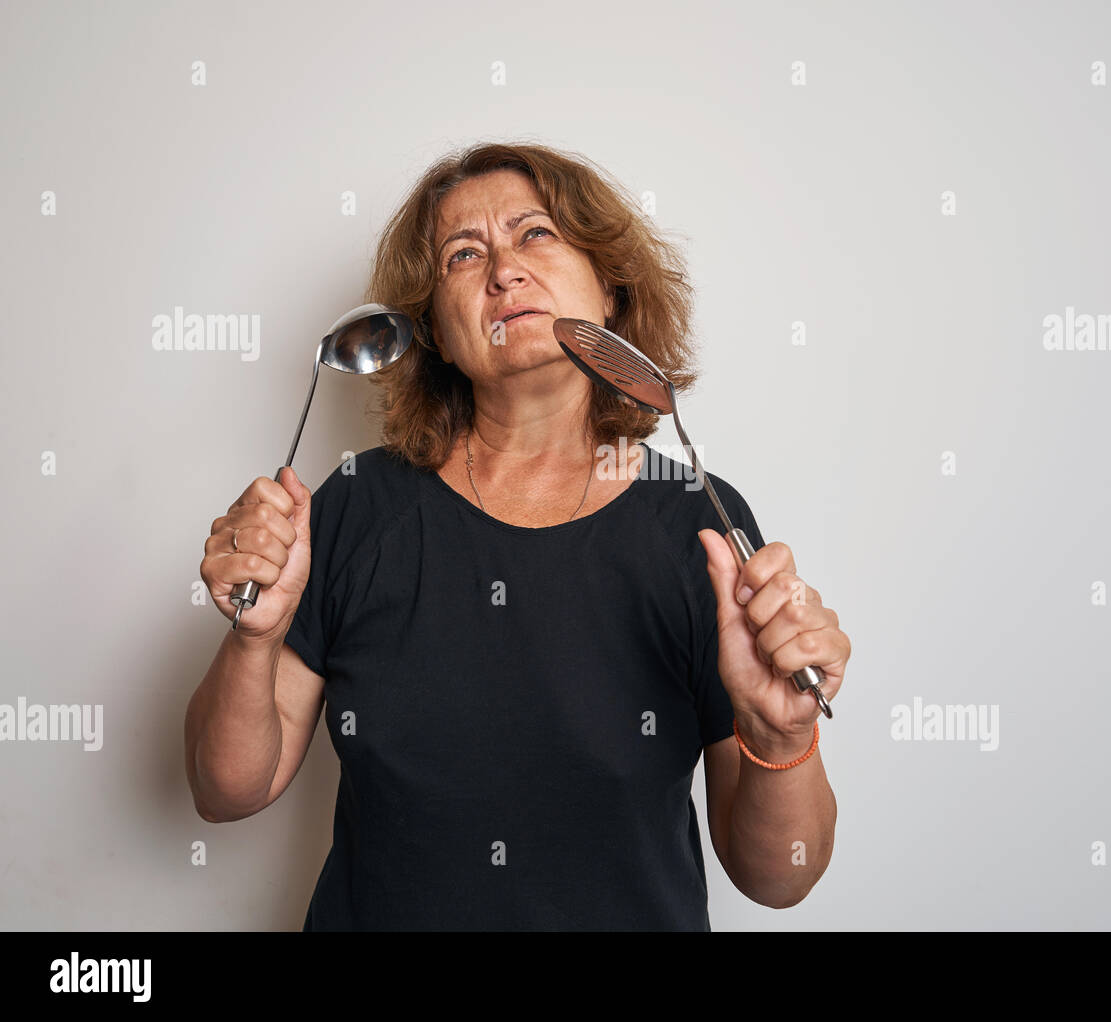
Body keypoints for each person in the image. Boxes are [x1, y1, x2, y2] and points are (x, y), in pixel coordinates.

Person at [186, 141, 851, 930]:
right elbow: (226, 791)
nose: (503, 271)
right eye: (463, 255)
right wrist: (252, 642)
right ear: (432, 328)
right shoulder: (358, 505)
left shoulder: (699, 525)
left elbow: (779, 880)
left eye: (535, 234)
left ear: (609, 285)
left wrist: (783, 734)